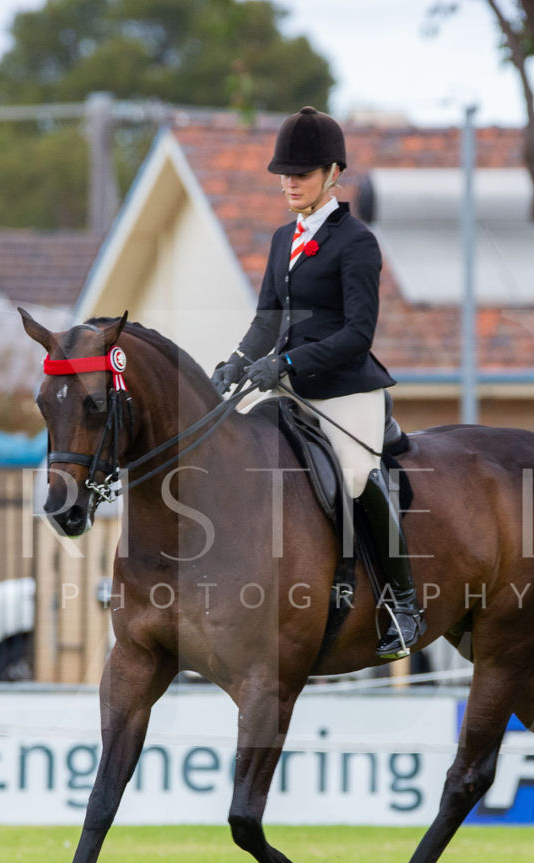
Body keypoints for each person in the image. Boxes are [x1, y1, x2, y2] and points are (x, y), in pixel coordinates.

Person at [210, 105, 423, 660]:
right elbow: (267, 317)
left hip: (348, 388)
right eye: (284, 175)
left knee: (355, 474)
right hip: (292, 386)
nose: (288, 183)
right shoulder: (284, 240)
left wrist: (285, 366)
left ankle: (404, 605)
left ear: (332, 174)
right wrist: (238, 360)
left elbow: (358, 333)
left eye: (299, 175)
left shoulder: (356, 243)